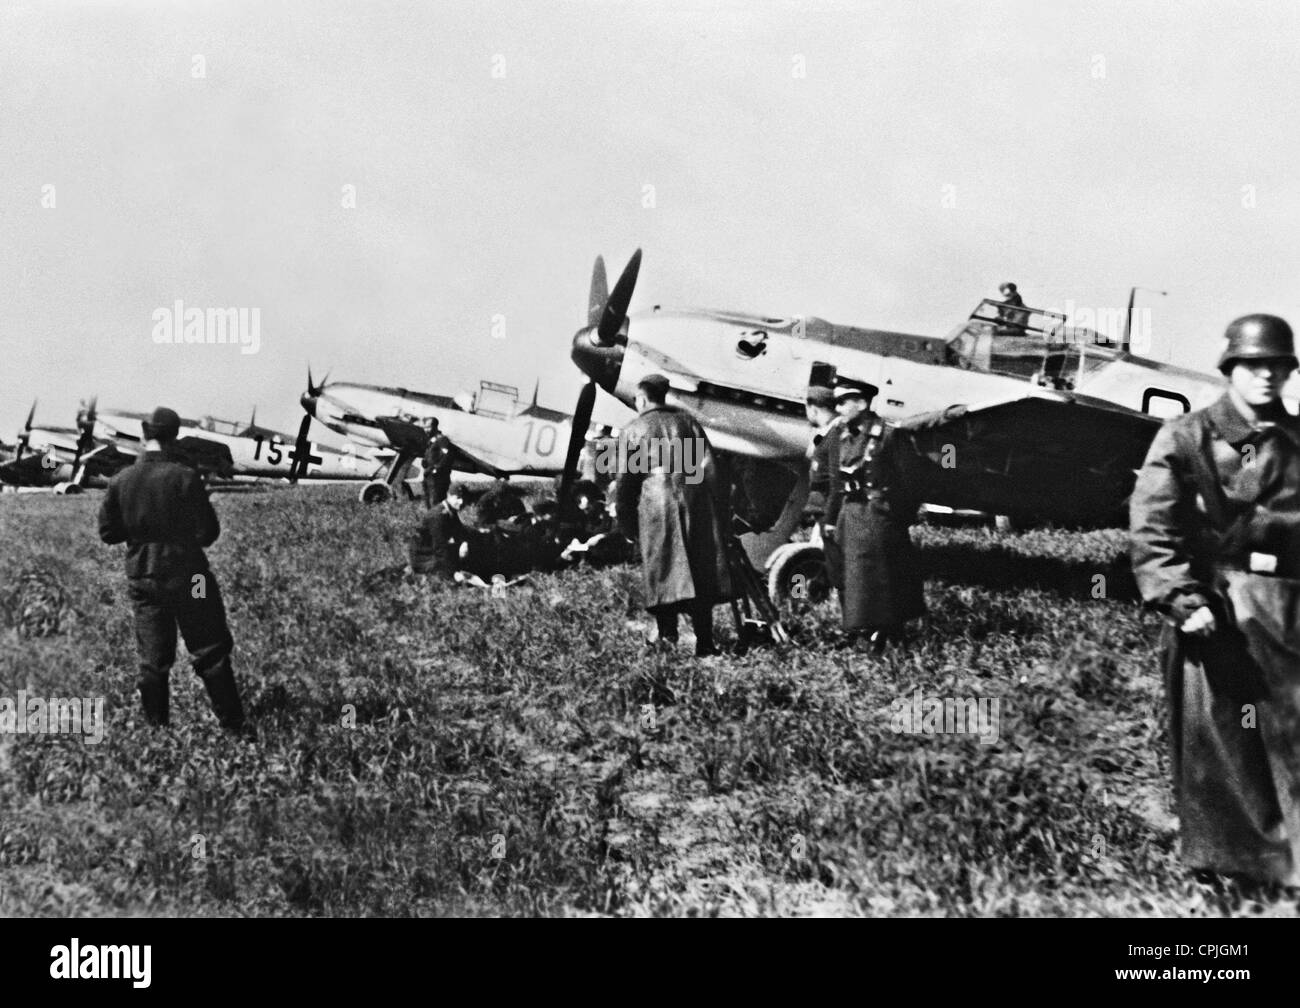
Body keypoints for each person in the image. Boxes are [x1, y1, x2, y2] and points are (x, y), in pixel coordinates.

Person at [1130, 313, 1300, 895]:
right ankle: (1224, 863)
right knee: (1219, 736)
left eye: (1279, 365)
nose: (1267, 376)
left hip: (1289, 606)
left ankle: (1288, 859)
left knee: (1290, 732)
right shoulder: (1186, 436)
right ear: (1230, 368)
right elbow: (1154, 529)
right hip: (1216, 606)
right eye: (1254, 364)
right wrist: (1181, 596)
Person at [97, 406, 246, 732]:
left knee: (153, 660)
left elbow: (108, 533)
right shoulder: (185, 477)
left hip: (144, 576)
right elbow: (208, 534)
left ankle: (157, 731)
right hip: (193, 577)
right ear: (175, 435)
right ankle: (234, 727)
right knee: (211, 650)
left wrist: (140, 534)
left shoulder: (121, 480)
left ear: (144, 432)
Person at [614, 373, 731, 657]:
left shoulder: (633, 428)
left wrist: (626, 521)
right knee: (698, 568)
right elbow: (710, 469)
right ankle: (705, 642)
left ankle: (667, 638)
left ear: (641, 398)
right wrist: (719, 511)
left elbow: (624, 482)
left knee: (661, 569)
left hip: (655, 503)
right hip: (693, 499)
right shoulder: (686, 422)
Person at [823, 378, 925, 651]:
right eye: (836, 402)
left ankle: (889, 634)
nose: (839, 407)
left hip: (879, 516)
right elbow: (835, 481)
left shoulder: (890, 435)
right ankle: (860, 634)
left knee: (884, 578)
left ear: (863, 403)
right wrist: (830, 520)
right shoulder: (838, 435)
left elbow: (912, 482)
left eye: (844, 401)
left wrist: (897, 517)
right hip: (849, 514)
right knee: (852, 579)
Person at [804, 385, 844, 592]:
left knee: (823, 556)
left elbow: (837, 480)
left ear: (814, 408)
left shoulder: (837, 434)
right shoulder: (827, 432)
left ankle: (815, 594)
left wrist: (829, 517)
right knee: (819, 554)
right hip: (824, 507)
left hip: (831, 507)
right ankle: (813, 593)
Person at [408, 484, 467, 579]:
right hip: (423, 558)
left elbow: (460, 530)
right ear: (449, 496)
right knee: (461, 574)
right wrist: (453, 572)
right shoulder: (438, 516)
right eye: (458, 498)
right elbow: (440, 547)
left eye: (463, 498)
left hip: (434, 552)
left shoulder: (450, 510)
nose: (461, 502)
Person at [422, 418, 455, 509]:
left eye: (428, 427)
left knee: (436, 502)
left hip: (438, 478)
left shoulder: (442, 439)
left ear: (435, 427)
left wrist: (436, 469)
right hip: (429, 476)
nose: (426, 430)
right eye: (424, 427)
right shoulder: (431, 441)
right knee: (428, 502)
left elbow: (447, 456)